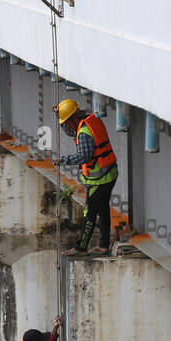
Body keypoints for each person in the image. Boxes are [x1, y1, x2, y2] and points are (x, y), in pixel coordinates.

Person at [53, 98, 119, 257]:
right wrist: (58, 114)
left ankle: (81, 247)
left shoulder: (83, 133)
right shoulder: (91, 120)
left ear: (73, 119)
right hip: (109, 172)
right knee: (103, 209)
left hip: (100, 179)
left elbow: (84, 156)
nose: (66, 127)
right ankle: (103, 245)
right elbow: (72, 133)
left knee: (90, 213)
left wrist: (63, 160)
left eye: (66, 123)